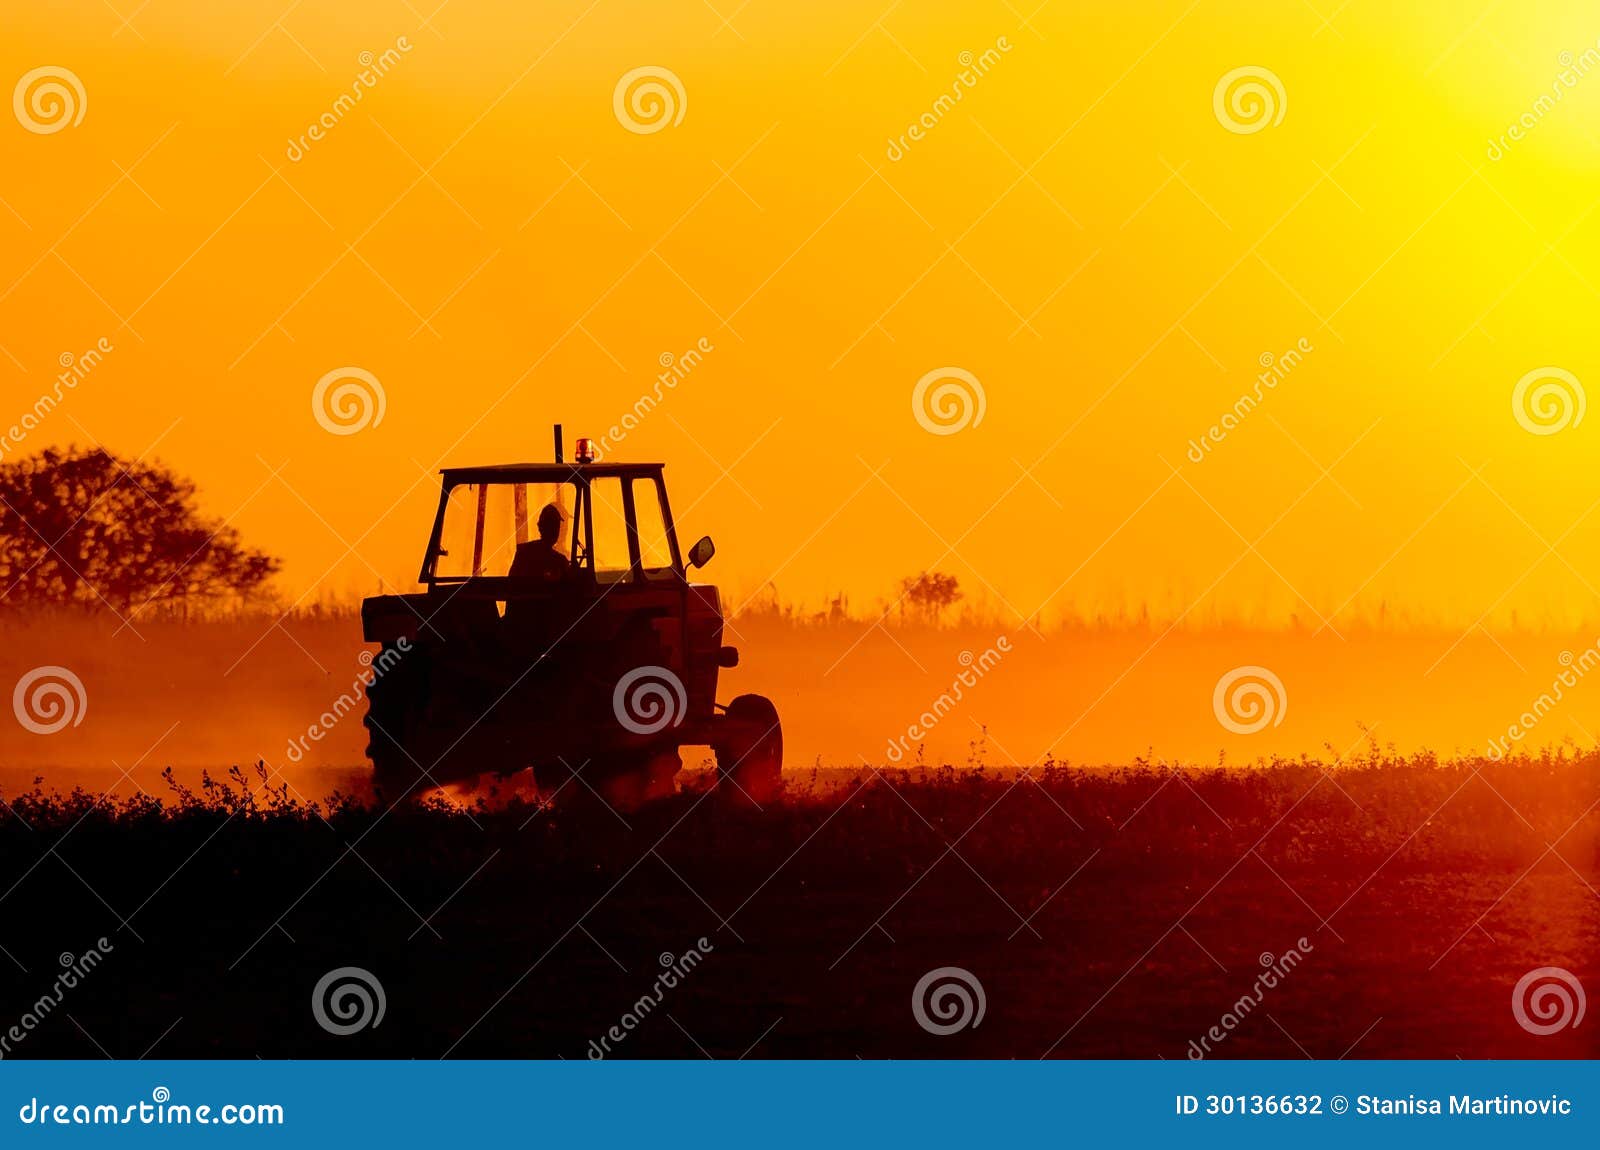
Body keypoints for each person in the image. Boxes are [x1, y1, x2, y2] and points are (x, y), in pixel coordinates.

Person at [509, 504, 569, 581]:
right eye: (554, 526)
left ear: (539, 526)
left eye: (556, 526)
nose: (557, 530)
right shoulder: (559, 561)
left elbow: (511, 583)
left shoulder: (523, 552)